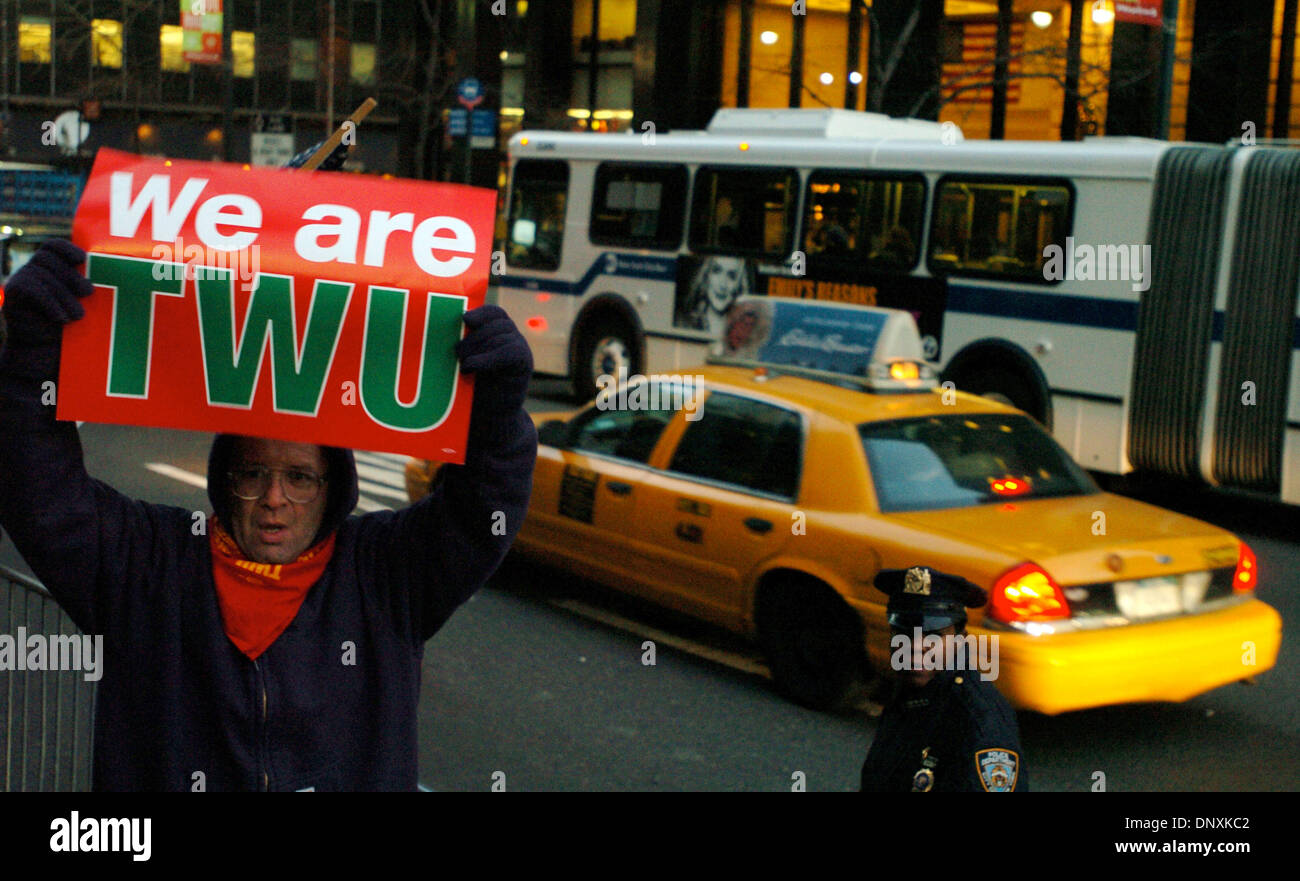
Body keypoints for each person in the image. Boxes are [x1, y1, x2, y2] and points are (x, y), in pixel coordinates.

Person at [0, 239, 538, 791]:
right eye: (253, 473)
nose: (274, 498)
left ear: (334, 489)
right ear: (223, 480)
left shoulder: (386, 572)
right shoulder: (147, 563)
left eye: (300, 478)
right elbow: (40, 495)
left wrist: (497, 418)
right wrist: (29, 363)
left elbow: (481, 512)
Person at [860, 565, 1027, 792]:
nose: (916, 647)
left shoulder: (980, 722)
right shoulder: (911, 693)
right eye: (904, 633)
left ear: (959, 640)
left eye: (934, 637)